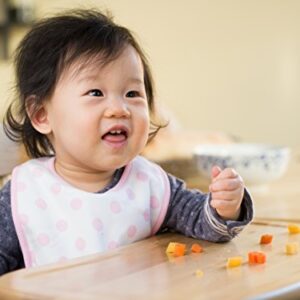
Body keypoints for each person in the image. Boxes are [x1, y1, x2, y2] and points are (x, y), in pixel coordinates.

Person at [0, 9, 253, 276]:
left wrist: (225, 207)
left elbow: (203, 222)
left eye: (132, 93)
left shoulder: (150, 183)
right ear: (41, 114)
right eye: (95, 93)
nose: (119, 109)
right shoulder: (24, 192)